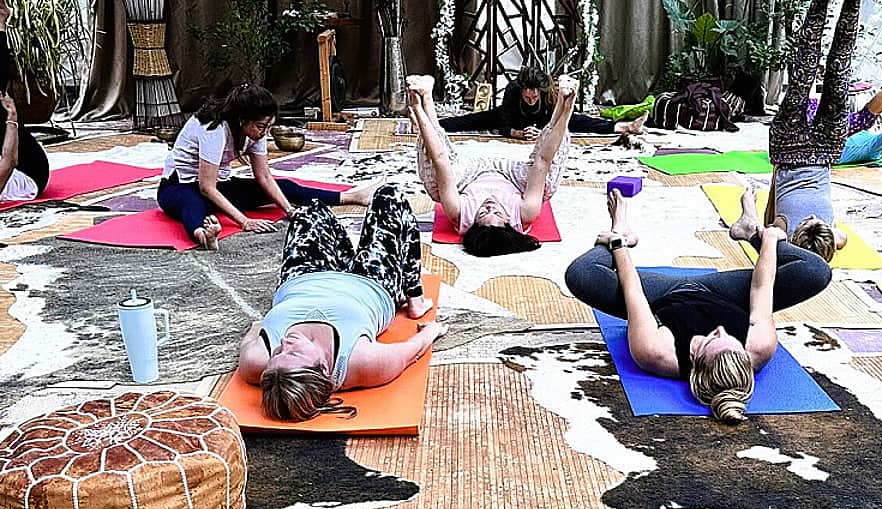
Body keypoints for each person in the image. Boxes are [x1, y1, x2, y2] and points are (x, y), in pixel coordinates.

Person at [565, 187, 833, 423]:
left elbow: (633, 290)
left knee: (581, 275)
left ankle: (619, 232)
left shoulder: (655, 352)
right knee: (815, 272)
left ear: (695, 361)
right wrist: (768, 240)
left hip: (660, 297)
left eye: (713, 338)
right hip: (724, 294)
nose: (720, 329)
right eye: (731, 338)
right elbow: (761, 287)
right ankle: (749, 230)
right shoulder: (758, 347)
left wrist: (618, 241)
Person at [236, 184, 444, 421]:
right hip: (372, 283)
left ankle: (343, 256)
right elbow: (411, 352)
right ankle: (415, 298)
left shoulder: (254, 363)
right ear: (324, 368)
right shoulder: (362, 362)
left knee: (309, 209)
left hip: (304, 276)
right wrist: (432, 330)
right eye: (292, 354)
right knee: (389, 196)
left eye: (277, 353)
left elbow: (255, 328)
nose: (284, 342)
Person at [158, 84, 377, 250]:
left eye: (269, 126)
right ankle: (203, 235)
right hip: (179, 186)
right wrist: (244, 221)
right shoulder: (214, 129)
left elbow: (264, 177)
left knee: (287, 187)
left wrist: (288, 210)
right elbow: (207, 187)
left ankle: (350, 196)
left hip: (219, 186)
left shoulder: (256, 130)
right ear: (242, 119)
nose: (265, 132)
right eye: (261, 126)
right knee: (192, 204)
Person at [766, 0, 871, 260]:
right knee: (838, 68)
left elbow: (764, 225)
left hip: (790, 147)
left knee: (805, 65)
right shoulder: (833, 239)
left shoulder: (783, 233)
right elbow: (839, 239)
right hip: (824, 148)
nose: (812, 221)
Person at [409, 72, 574, 257]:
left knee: (437, 183)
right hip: (512, 178)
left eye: (482, 213)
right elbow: (543, 161)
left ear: (474, 222)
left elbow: (439, 158)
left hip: (471, 177)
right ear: (507, 222)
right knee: (547, 183)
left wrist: (418, 107)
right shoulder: (524, 213)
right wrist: (566, 108)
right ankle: (563, 98)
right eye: (496, 212)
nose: (490, 205)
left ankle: (427, 96)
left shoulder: (459, 213)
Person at [439, 66, 647, 140]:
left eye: (533, 97)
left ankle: (626, 126)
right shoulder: (513, 89)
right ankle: (432, 124)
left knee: (577, 121)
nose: (530, 99)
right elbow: (503, 125)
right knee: (475, 120)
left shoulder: (548, 90)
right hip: (517, 120)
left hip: (543, 120)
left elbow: (559, 118)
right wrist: (519, 133)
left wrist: (542, 133)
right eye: (527, 96)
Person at [0, 0, 51, 203]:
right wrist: (12, 119)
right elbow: (9, 161)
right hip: (30, 172)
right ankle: (1, 23)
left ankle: (0, 23)